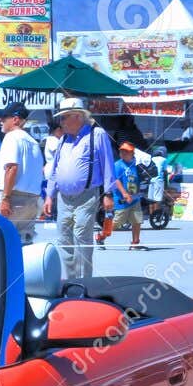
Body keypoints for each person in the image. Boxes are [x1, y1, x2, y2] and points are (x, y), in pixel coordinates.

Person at [43, 97, 115, 280]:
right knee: (64, 239)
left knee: (82, 235)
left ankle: (85, 281)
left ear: (76, 116)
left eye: (64, 117)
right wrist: (49, 195)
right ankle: (71, 279)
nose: (61, 122)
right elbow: (55, 168)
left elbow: (108, 165)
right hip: (63, 197)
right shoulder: (63, 140)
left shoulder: (96, 134)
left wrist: (108, 193)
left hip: (87, 195)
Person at [0, 102, 43, 241]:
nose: (0, 120)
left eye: (4, 117)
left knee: (4, 243)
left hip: (14, 199)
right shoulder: (34, 142)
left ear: (15, 119)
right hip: (32, 200)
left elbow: (12, 168)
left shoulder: (12, 137)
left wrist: (5, 198)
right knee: (25, 243)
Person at [111, 141, 146, 250]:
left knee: (137, 220)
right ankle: (101, 235)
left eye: (126, 152)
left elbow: (138, 179)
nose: (123, 153)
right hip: (122, 199)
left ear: (132, 153)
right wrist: (124, 193)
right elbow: (116, 180)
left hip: (135, 199)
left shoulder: (135, 165)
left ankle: (135, 243)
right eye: (121, 151)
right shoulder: (118, 164)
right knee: (117, 222)